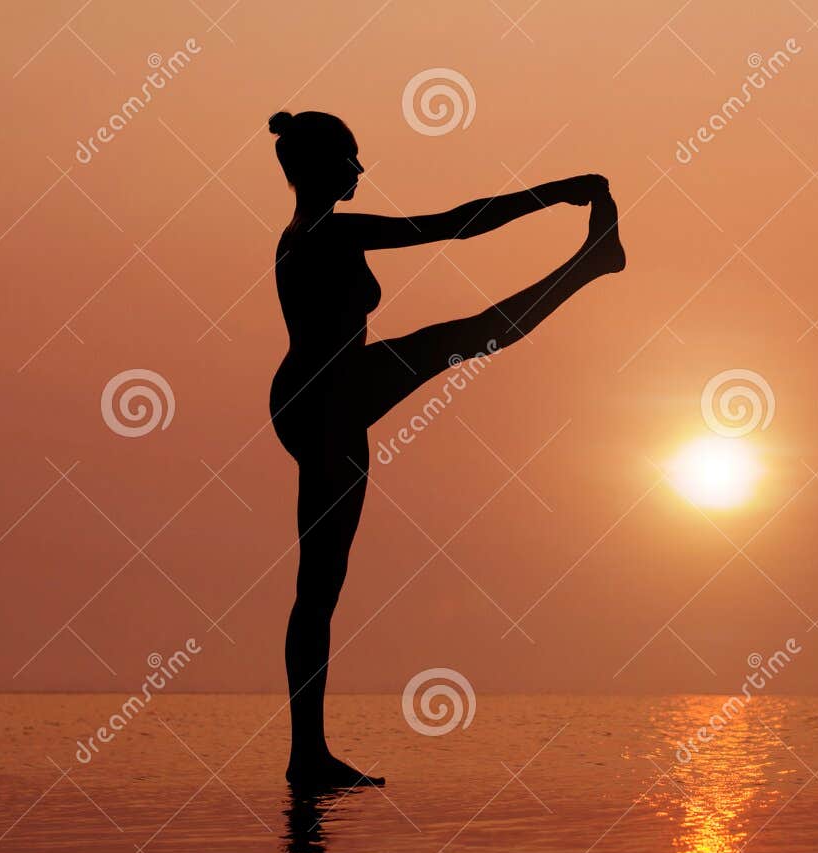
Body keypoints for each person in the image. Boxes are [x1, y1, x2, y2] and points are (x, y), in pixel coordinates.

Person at [267, 110, 624, 790]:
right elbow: (453, 225)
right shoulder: (326, 234)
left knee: (320, 584)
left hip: (325, 396)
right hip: (327, 400)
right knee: (476, 334)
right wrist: (556, 190)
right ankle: (592, 262)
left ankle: (306, 753)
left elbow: (450, 227)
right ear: (318, 168)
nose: (359, 171)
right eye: (350, 159)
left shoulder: (311, 236)